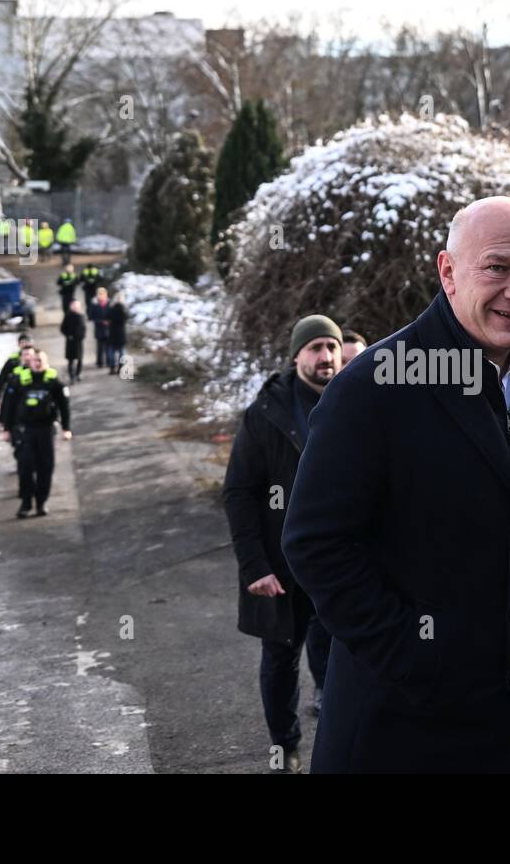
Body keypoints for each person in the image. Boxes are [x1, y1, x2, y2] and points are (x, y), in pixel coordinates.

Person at [281, 196, 510, 774]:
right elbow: (316, 542)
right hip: (410, 724)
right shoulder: (373, 386)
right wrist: (415, 654)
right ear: (448, 272)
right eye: (497, 267)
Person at [223, 315, 343, 774]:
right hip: (280, 566)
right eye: (315, 348)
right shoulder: (266, 413)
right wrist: (254, 566)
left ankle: (337, 749)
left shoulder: (354, 404)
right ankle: (286, 746)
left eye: (331, 347)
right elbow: (238, 492)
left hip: (338, 566)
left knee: (342, 659)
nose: (326, 357)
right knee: (279, 659)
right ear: (296, 357)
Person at [0, 348, 71, 518]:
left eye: (41, 361)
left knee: (45, 467)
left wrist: (66, 428)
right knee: (25, 467)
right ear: (29, 362)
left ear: (46, 363)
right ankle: (26, 503)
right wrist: (6, 428)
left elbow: (64, 406)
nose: (37, 364)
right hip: (25, 431)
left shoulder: (53, 382)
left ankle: (41, 502)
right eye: (35, 360)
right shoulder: (19, 381)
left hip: (46, 430)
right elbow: (9, 406)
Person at [60, 300, 86, 383]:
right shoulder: (67, 316)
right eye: (74, 306)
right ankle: (71, 376)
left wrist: (82, 336)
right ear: (71, 307)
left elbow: (84, 328)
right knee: (71, 360)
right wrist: (68, 335)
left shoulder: (81, 316)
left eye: (77, 306)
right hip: (70, 342)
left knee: (80, 359)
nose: (76, 308)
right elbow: (62, 328)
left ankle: (78, 374)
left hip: (79, 341)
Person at [87, 287, 111, 369]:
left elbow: (113, 314)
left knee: (108, 347)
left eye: (103, 294)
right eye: (100, 294)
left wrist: (109, 321)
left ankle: (109, 362)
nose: (101, 296)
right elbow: (91, 317)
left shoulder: (110, 303)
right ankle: (99, 363)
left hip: (108, 329)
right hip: (99, 329)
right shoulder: (94, 305)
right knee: (100, 347)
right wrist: (100, 321)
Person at [106, 290, 127, 375]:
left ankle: (112, 368)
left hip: (112, 332)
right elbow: (125, 318)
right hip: (121, 332)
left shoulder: (111, 308)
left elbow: (107, 317)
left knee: (112, 351)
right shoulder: (123, 309)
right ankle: (120, 367)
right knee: (121, 350)